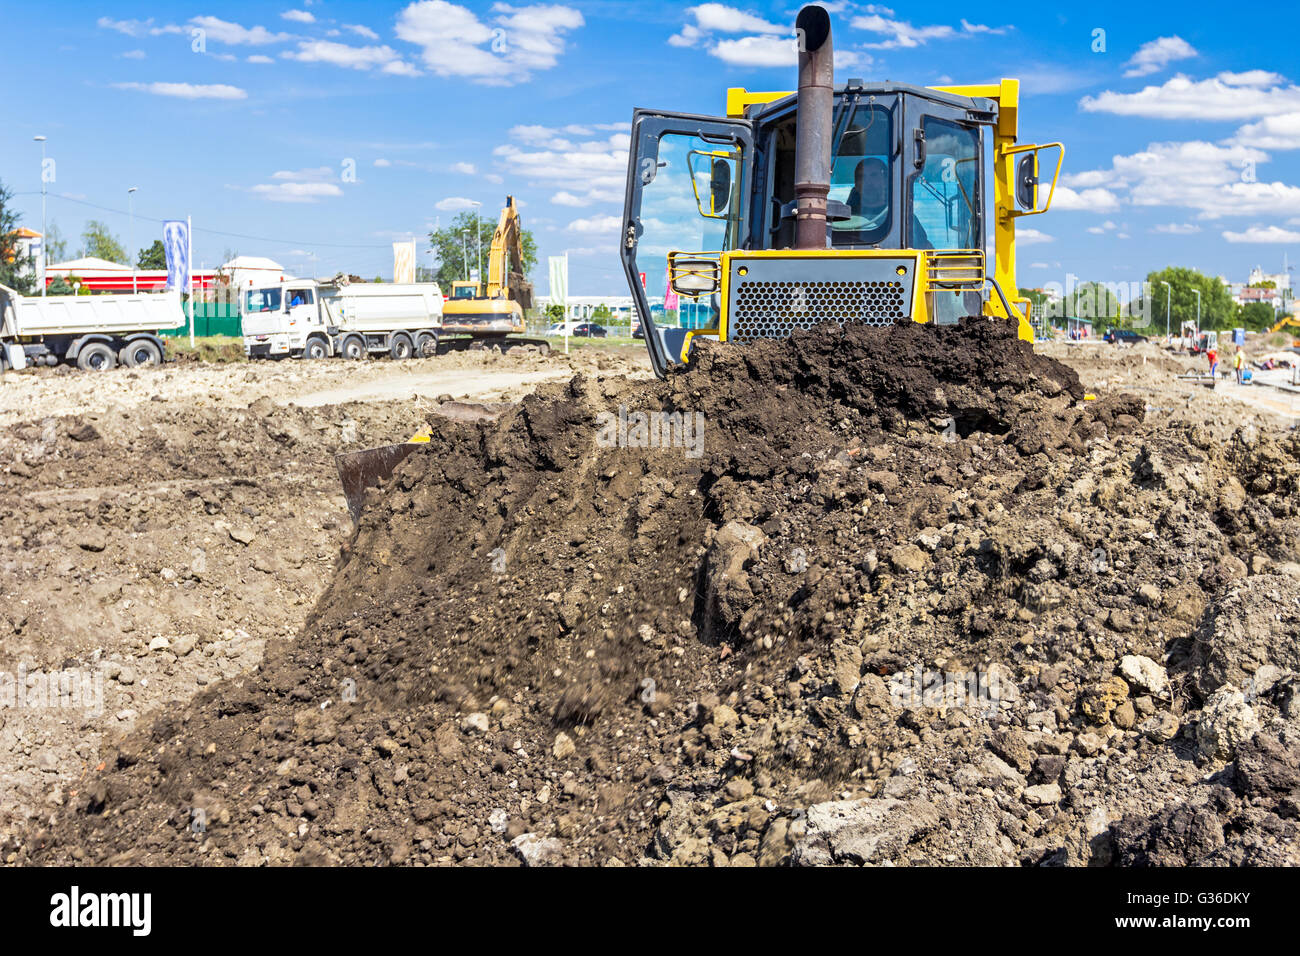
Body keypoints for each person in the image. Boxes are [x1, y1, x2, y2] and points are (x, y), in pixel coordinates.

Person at [846, 158, 932, 249]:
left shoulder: (905, 219)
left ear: (885, 181)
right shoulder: (843, 220)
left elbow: (924, 248)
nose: (868, 182)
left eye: (874, 176)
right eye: (862, 177)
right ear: (856, 184)